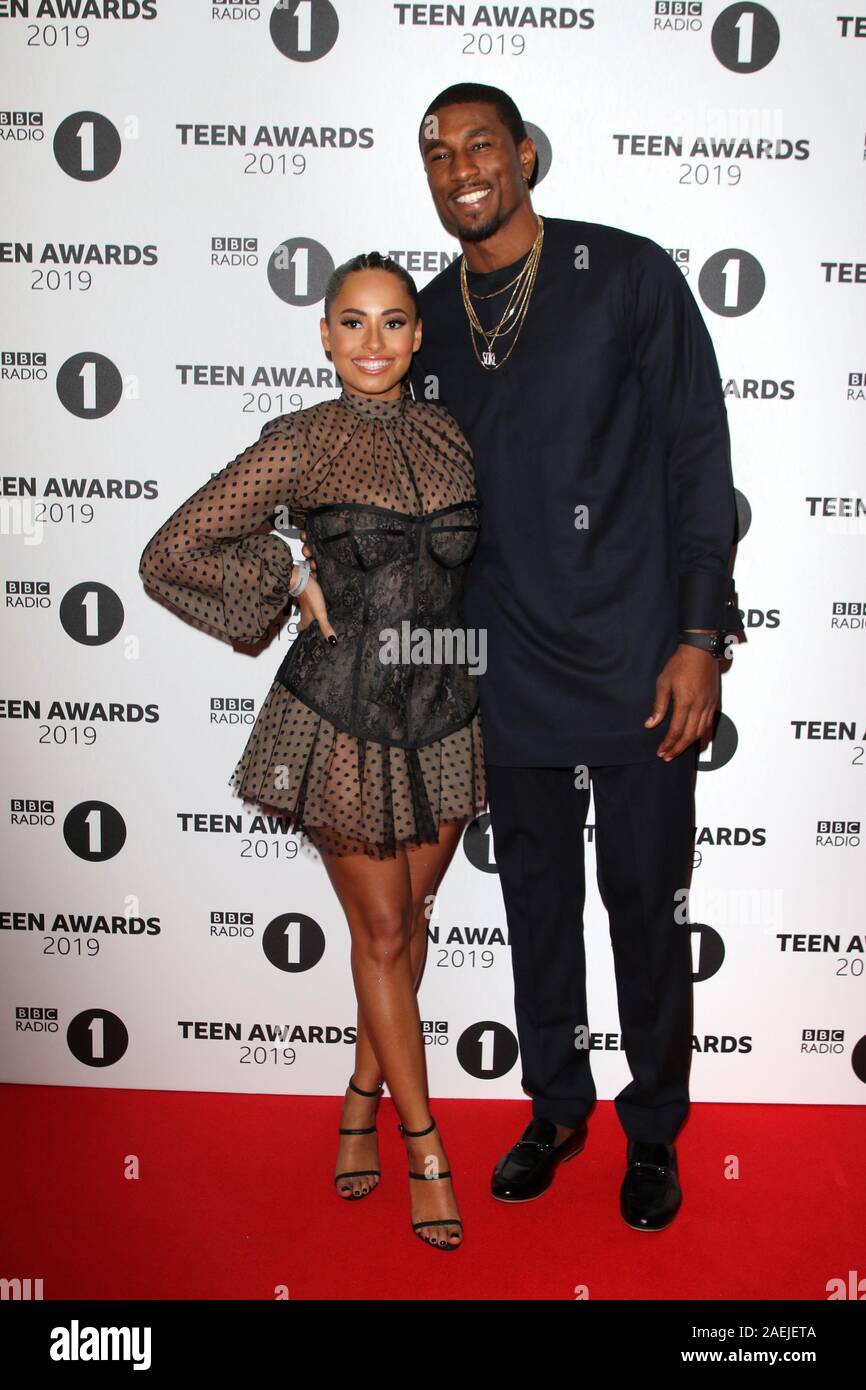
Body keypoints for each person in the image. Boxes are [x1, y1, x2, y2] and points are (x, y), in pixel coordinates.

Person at [301, 84, 739, 1232]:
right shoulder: (425, 320)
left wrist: (699, 637)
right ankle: (555, 1107)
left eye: (479, 144)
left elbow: (699, 458)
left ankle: (652, 1132)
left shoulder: (627, 275)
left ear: (527, 155)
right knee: (535, 903)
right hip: (500, 671)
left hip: (643, 657)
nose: (459, 169)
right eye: (435, 154)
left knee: (641, 906)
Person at [139, 252, 487, 1251]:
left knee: (409, 922)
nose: (371, 343)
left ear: (418, 337)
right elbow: (172, 552)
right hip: (341, 720)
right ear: (324, 336)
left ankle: (356, 1094)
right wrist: (287, 573)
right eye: (351, 322)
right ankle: (422, 1145)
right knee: (380, 936)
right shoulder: (299, 442)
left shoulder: (449, 433)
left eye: (391, 323)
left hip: (448, 710)